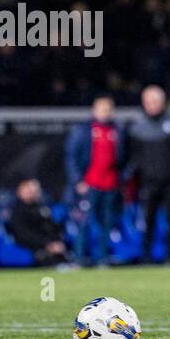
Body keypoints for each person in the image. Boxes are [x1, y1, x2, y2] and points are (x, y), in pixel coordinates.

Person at [127, 85, 170, 262]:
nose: (152, 105)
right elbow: (131, 158)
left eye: (155, 101)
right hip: (148, 182)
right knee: (147, 221)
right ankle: (146, 257)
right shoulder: (136, 129)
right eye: (148, 101)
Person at [65, 96, 125, 266]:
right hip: (89, 185)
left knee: (106, 223)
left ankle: (103, 258)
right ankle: (79, 258)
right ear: (94, 110)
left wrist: (121, 178)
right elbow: (71, 157)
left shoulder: (117, 130)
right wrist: (78, 180)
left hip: (110, 185)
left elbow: (124, 157)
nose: (105, 113)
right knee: (83, 222)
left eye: (108, 109)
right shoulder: (83, 130)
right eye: (102, 109)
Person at [7, 179, 69, 266]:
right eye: (29, 191)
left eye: (35, 191)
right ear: (20, 192)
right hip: (31, 246)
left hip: (47, 244)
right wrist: (46, 244)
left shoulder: (42, 208)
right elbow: (23, 234)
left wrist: (56, 242)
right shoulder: (18, 211)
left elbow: (51, 228)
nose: (33, 193)